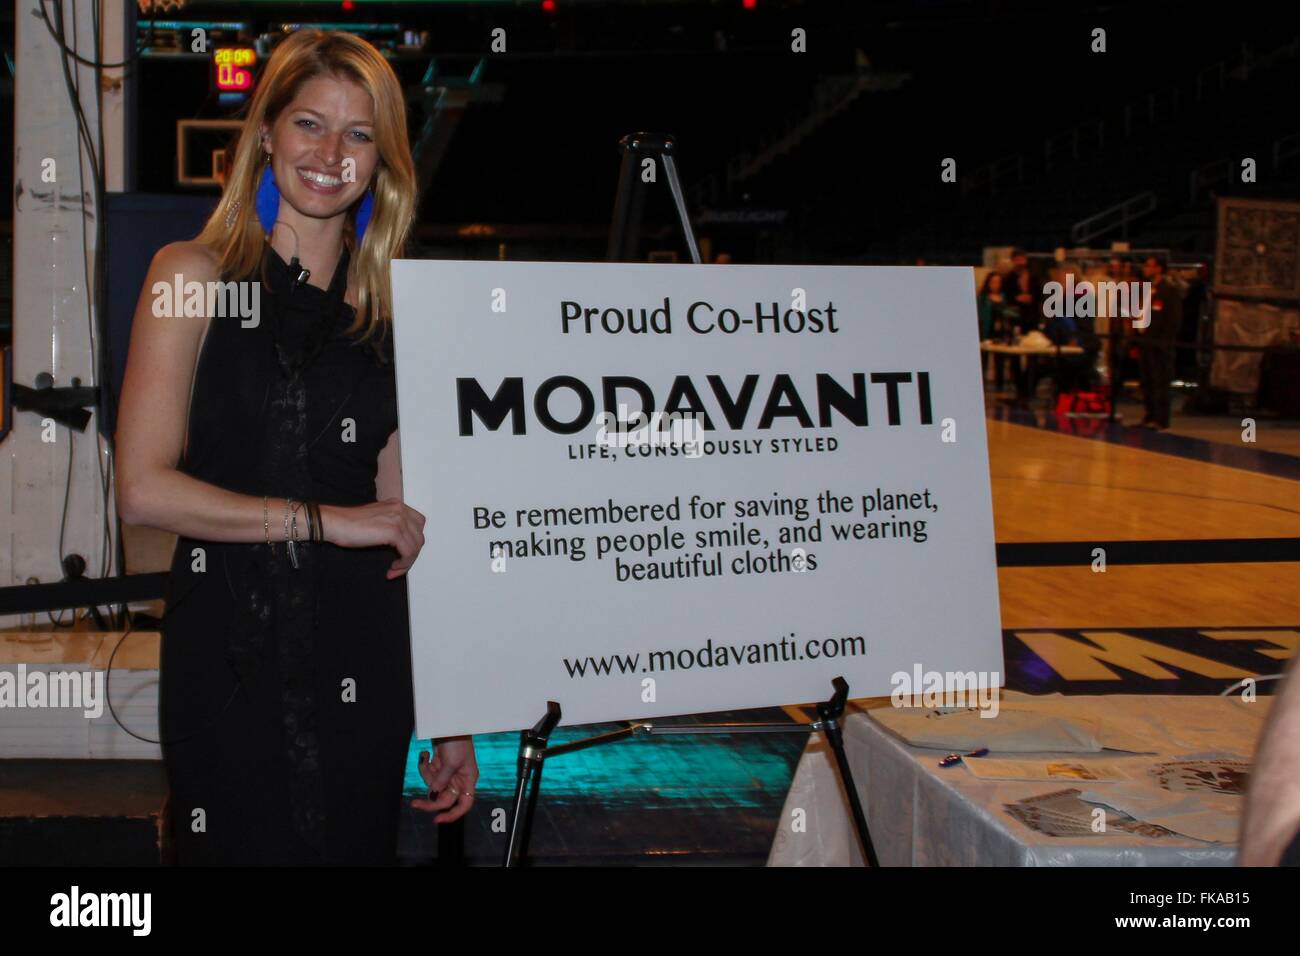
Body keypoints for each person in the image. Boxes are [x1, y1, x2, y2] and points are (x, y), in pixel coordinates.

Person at [115, 29, 478, 865]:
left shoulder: (394, 314)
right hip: (227, 649)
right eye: (309, 124)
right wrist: (328, 521)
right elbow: (142, 489)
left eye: (359, 134)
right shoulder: (190, 276)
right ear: (267, 134)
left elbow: (406, 528)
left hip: (364, 649)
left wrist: (454, 709)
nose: (330, 153)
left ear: (383, 160)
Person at [1134, 255, 1183, 429]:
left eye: (1149, 265)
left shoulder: (1169, 291)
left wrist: (1164, 341)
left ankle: (1161, 419)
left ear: (1159, 268)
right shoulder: (1146, 289)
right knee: (1146, 381)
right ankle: (1149, 415)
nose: (1145, 268)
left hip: (1159, 344)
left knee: (1159, 381)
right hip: (1144, 341)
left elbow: (1173, 320)